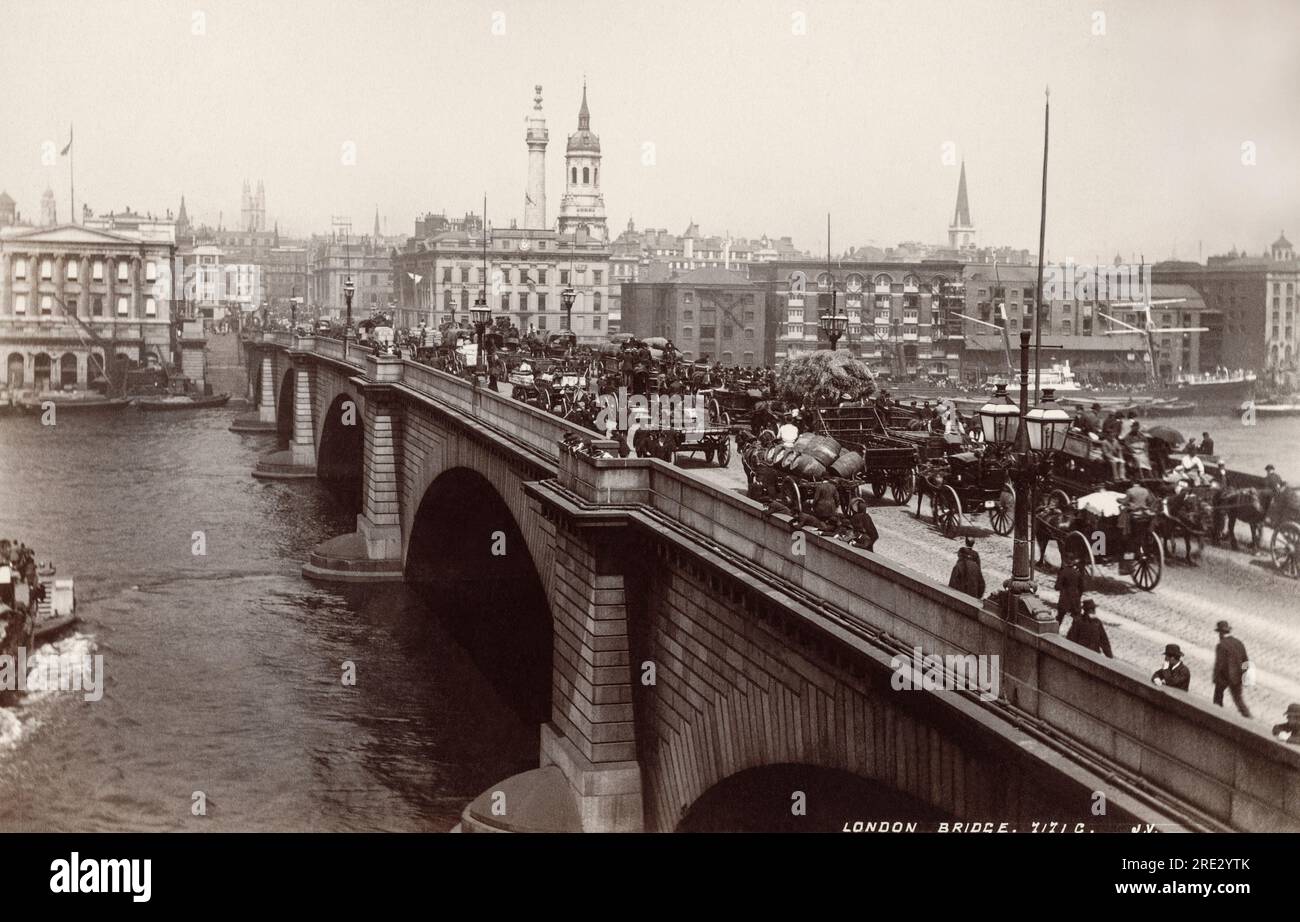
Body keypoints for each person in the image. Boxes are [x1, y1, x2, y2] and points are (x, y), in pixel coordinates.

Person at [1212, 620, 1251, 717]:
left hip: (1225, 677)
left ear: (1220, 633)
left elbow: (1219, 664)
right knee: (1239, 700)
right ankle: (1248, 718)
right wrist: (1243, 674)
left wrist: (1215, 678)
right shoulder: (1239, 643)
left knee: (1217, 698)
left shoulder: (1221, 645)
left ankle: (1217, 716)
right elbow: (1246, 661)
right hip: (1238, 677)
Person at [1054, 554, 1085, 625]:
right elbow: (1082, 588)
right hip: (1075, 599)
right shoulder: (1077, 573)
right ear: (1073, 561)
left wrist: (1063, 589)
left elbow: (1057, 587)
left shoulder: (1063, 572)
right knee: (1077, 620)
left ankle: (1055, 633)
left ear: (1066, 561)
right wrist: (1077, 596)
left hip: (1064, 599)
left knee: (1059, 618)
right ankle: (1075, 633)